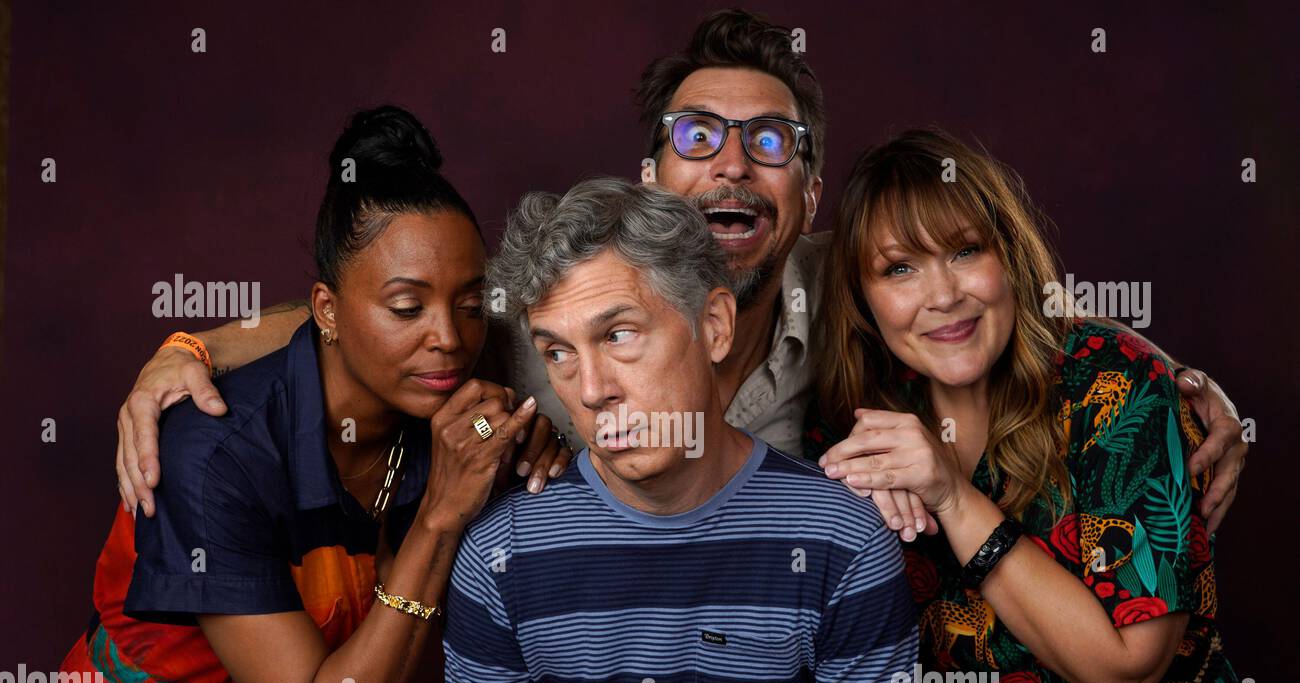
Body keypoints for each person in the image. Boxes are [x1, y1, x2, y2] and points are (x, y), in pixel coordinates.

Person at [110, 10, 1248, 536]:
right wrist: (188, 347)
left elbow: (998, 299)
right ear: (649, 178)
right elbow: (381, 319)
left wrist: (1175, 365)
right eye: (696, 136)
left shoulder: (849, 279)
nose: (733, 163)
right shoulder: (570, 295)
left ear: (807, 193)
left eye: (769, 141)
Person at [49, 105, 555, 683]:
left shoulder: (444, 396)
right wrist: (442, 518)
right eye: (407, 307)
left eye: (468, 302)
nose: (448, 337)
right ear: (326, 310)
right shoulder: (207, 453)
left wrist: (529, 454)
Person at [436, 177, 922, 683]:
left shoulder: (841, 540)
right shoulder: (502, 556)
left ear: (715, 325)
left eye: (620, 334)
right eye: (558, 352)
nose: (592, 388)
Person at [807, 129, 1246, 683]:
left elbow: (1123, 670)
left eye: (966, 251)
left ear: (1009, 255)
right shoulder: (858, 417)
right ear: (863, 298)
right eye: (900, 269)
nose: (943, 295)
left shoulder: (1113, 387)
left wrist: (950, 495)